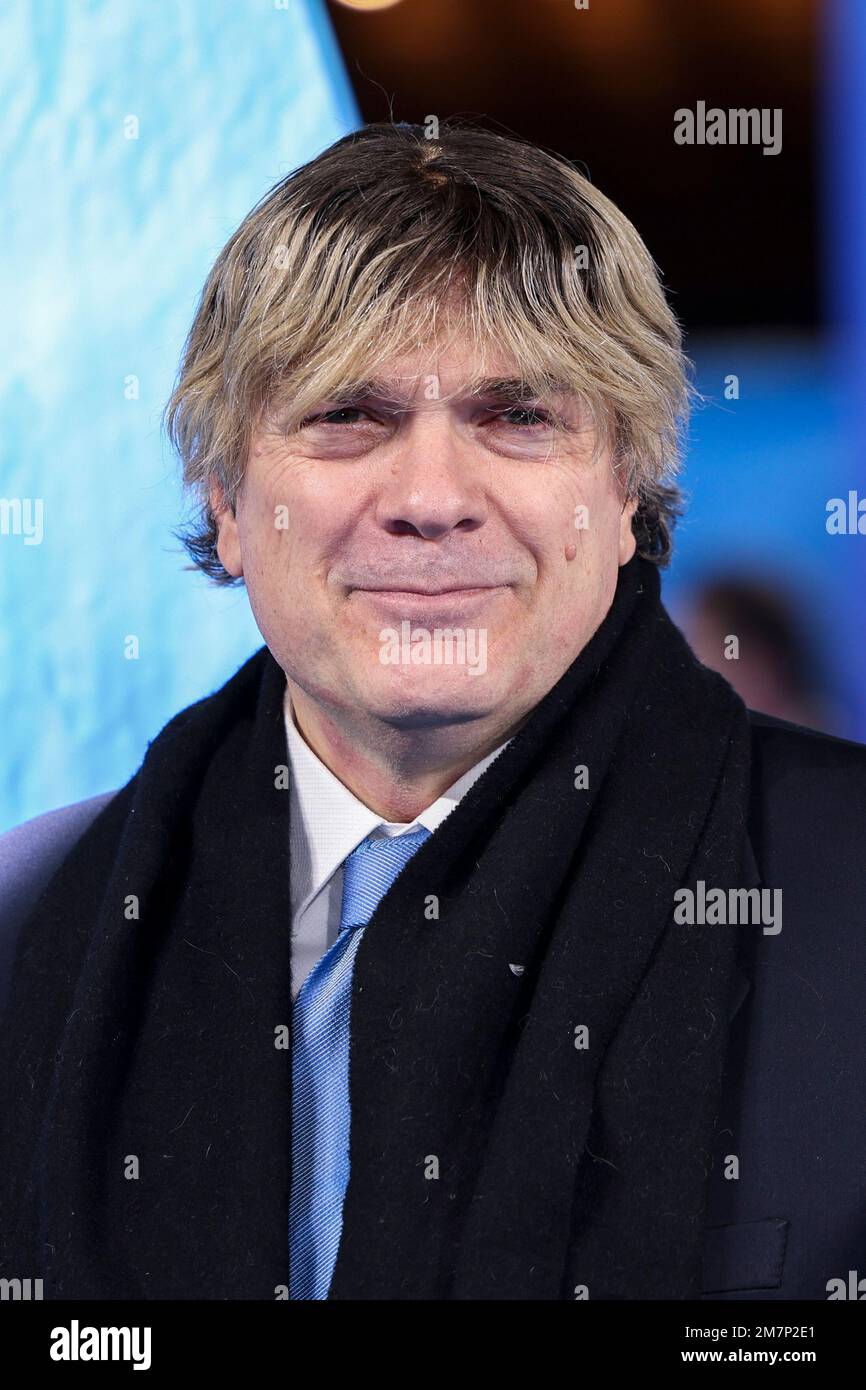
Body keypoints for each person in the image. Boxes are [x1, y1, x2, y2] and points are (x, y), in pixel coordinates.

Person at [1, 120, 864, 1302]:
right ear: (228, 500)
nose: (429, 498)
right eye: (347, 415)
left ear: (627, 491)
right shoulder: (29, 915)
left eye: (516, 416)